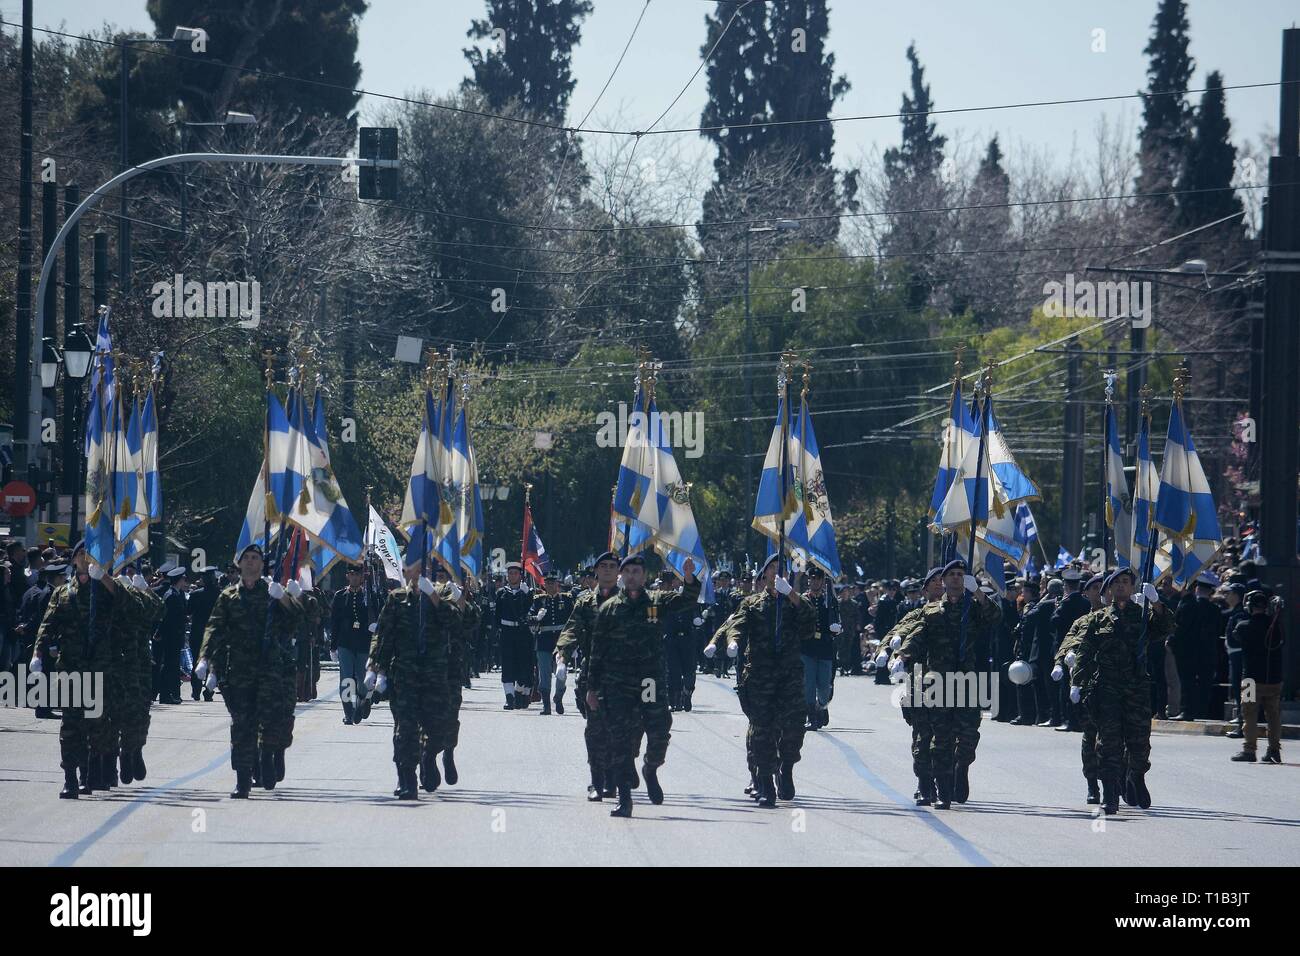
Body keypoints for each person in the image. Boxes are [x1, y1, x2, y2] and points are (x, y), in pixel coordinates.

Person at [586, 554, 700, 818]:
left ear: (644, 575)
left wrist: (689, 578)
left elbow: (687, 600)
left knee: (659, 730)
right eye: (627, 572)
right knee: (620, 739)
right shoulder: (610, 608)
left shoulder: (657, 602)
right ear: (621, 577)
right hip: (618, 683)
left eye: (637, 572)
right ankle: (624, 798)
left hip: (650, 681)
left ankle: (650, 768)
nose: (632, 576)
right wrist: (592, 688)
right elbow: (597, 650)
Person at [196, 544, 306, 798]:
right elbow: (215, 628)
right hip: (239, 671)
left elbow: (296, 622)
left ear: (261, 563)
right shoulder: (228, 596)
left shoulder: (271, 594)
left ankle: (267, 755)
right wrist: (205, 658)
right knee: (242, 726)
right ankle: (243, 780)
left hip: (269, 670)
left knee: (270, 721)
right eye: (246, 558)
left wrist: (285, 599)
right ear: (239, 563)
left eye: (255, 558)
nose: (250, 562)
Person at [706, 553, 813, 808]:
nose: (777, 573)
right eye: (772, 569)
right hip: (761, 677)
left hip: (789, 677)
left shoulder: (796, 603)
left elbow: (809, 627)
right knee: (762, 731)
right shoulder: (752, 603)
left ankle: (786, 767)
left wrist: (793, 596)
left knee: (794, 730)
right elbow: (738, 624)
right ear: (764, 574)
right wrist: (732, 642)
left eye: (781, 569)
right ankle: (765, 783)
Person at [895, 559, 1001, 809]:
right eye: (951, 574)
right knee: (940, 739)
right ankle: (942, 789)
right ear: (942, 581)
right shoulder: (931, 611)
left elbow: (996, 618)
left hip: (967, 682)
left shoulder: (973, 608)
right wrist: (903, 656)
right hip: (938, 684)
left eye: (960, 574)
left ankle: (961, 767)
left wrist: (977, 591)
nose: (956, 578)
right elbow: (918, 635)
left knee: (967, 735)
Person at [1070, 567, 1172, 815]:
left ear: (1133, 587)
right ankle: (1110, 795)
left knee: (1139, 743)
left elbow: (1167, 627)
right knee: (1109, 745)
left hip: (1137, 688)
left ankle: (1136, 776)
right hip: (1107, 690)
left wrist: (1157, 603)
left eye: (1126, 582)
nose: (1121, 586)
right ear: (1109, 589)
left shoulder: (1143, 616)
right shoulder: (1099, 619)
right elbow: (1085, 652)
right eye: (1116, 583)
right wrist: (1077, 682)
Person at [32, 541, 120, 798]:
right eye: (81, 554)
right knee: (71, 726)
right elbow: (47, 625)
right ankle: (70, 778)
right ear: (73, 560)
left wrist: (104, 578)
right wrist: (38, 652)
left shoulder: (104, 590)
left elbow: (124, 604)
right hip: (70, 669)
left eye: (90, 554)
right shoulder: (61, 593)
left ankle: (87, 776)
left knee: (95, 725)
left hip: (98, 668)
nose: (85, 558)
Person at [366, 563, 461, 799]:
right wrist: (375, 664)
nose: (417, 573)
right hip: (405, 675)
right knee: (405, 729)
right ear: (405, 572)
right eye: (412, 568)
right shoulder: (397, 599)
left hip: (434, 675)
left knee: (437, 727)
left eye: (422, 569)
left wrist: (433, 598)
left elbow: (456, 623)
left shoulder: (441, 595)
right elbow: (384, 633)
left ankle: (429, 756)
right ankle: (406, 777)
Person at [556, 551, 622, 800]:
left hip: (621, 675)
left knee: (619, 730)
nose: (606, 570)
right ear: (596, 571)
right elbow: (571, 629)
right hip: (593, 673)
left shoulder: (629, 601)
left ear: (619, 572)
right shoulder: (585, 602)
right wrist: (562, 655)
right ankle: (597, 780)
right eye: (602, 566)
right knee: (595, 730)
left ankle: (614, 777)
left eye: (611, 566)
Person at [1229, 591, 1286, 764]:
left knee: (1249, 714)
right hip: (1274, 679)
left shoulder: (1243, 626)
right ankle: (1274, 750)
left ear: (1249, 606)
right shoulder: (1276, 626)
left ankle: (1249, 749)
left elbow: (1235, 637)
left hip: (1250, 680)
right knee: (1274, 716)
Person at [330, 564, 377, 725]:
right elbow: (334, 621)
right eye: (352, 575)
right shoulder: (340, 596)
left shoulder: (370, 595)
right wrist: (333, 646)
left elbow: (378, 613)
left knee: (364, 679)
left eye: (357, 575)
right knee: (346, 679)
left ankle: (363, 703)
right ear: (347, 577)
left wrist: (375, 625)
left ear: (362, 577)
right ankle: (348, 713)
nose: (355, 578)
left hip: (364, 642)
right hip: (345, 642)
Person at [800, 565, 839, 730]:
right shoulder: (803, 599)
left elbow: (837, 619)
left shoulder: (829, 600)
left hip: (825, 648)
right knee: (808, 684)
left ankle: (821, 706)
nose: (814, 581)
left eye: (817, 578)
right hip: (807, 648)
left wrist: (836, 628)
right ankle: (811, 716)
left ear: (823, 581)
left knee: (824, 686)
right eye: (811, 578)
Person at [530, 570, 572, 715]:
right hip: (544, 641)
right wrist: (537, 617)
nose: (550, 585)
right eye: (547, 583)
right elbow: (529, 618)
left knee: (561, 673)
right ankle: (546, 705)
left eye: (552, 583)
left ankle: (558, 697)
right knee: (544, 674)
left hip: (560, 642)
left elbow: (572, 620)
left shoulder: (566, 600)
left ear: (558, 585)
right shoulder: (538, 600)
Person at [495, 563, 535, 709]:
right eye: (510, 573)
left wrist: (527, 595)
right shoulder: (501, 593)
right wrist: (497, 632)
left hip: (522, 633)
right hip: (506, 632)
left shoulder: (527, 592)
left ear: (520, 576)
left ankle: (519, 693)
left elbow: (529, 610)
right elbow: (497, 615)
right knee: (507, 665)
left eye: (515, 573)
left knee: (522, 664)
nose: (513, 576)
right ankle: (509, 698)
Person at [152, 567, 189, 705]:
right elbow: (165, 617)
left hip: (175, 635)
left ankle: (168, 694)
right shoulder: (171, 596)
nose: (185, 581)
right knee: (168, 665)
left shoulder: (177, 594)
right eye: (184, 579)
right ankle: (165, 694)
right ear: (179, 580)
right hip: (171, 636)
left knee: (171, 665)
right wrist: (159, 633)